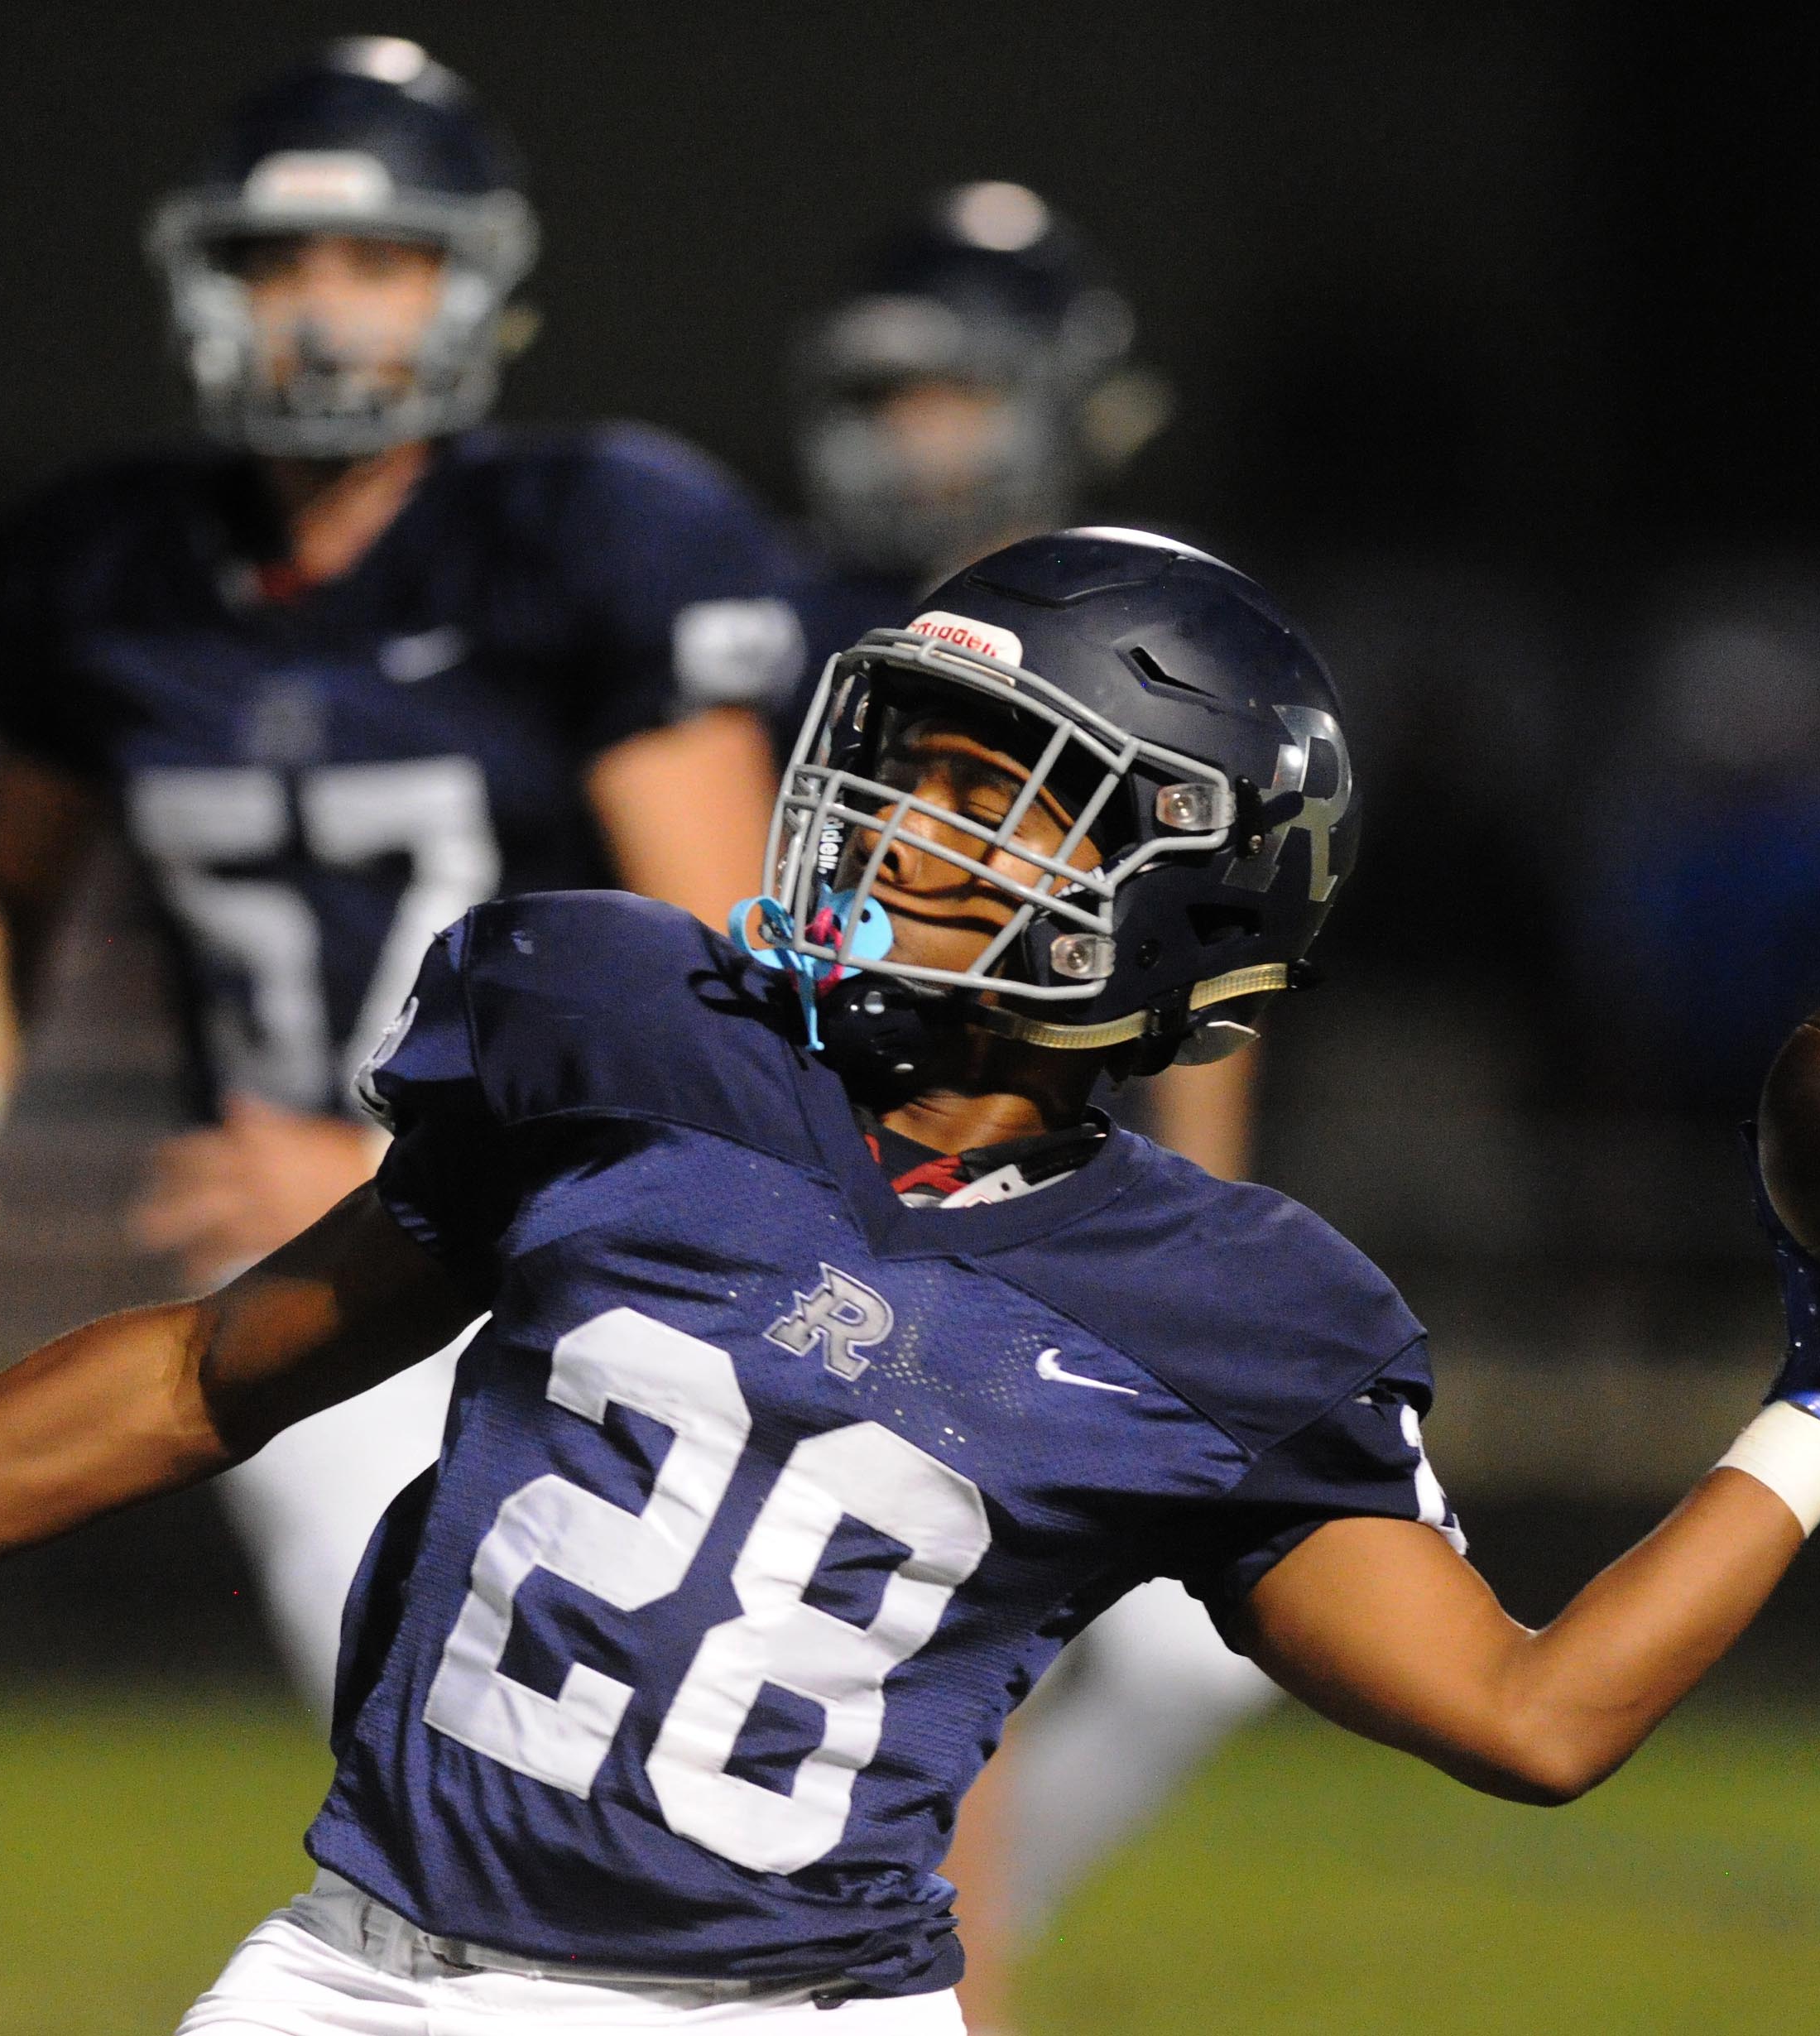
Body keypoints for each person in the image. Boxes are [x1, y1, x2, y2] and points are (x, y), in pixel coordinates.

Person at [0, 531, 1820, 2035]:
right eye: (906, 753)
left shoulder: (1239, 1308)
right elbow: (229, 1364)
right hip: (355, 1976)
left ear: (1187, 889)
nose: (904, 817)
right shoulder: (618, 1024)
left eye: (1005, 790)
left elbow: (1531, 1709)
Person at [0, 39, 804, 1716]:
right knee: (461, 1741)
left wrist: (388, 1148)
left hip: (592, 1237)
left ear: (470, 282)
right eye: (276, 261)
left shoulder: (597, 534)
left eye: (379, 260)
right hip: (299, 1269)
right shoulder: (101, 566)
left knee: (607, 1759)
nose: (322, 308)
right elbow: (0, 882)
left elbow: (727, 980)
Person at [785, 186, 1266, 2024]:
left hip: (1077, 1206)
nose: (918, 432)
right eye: (890, 391)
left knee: (1193, 1661)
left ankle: (906, 1927)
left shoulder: (1156, 635)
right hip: (871, 1212)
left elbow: (1211, 992)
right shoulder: (796, 629)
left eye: (953, 390)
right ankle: (910, 1949)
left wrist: (1205, 1258)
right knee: (949, 1660)